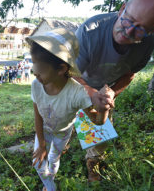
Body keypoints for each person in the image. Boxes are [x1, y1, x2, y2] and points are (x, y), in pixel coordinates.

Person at [73, 0, 154, 182]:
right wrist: (91, 94)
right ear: (122, 9)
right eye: (128, 20)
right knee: (62, 126)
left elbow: (129, 74)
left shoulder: (148, 42)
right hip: (75, 85)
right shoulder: (89, 31)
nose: (128, 32)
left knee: (100, 132)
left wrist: (111, 93)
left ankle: (94, 168)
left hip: (104, 90)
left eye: (140, 29)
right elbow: (69, 74)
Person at [26, 28, 113, 191]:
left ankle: (50, 179)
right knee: (38, 163)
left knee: (53, 159)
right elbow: (37, 115)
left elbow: (97, 122)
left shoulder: (77, 93)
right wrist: (41, 144)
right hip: (43, 130)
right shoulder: (36, 85)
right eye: (33, 67)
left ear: (61, 69)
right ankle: (50, 188)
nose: (34, 73)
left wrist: (104, 110)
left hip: (62, 133)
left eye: (39, 71)